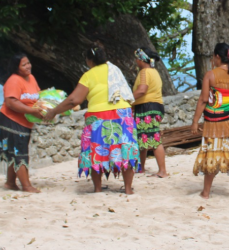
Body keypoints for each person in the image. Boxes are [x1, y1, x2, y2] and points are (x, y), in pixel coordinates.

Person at [44, 46, 140, 194]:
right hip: (122, 114)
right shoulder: (115, 70)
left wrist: (54, 111)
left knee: (95, 152)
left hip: (98, 117)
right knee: (125, 150)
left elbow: (74, 100)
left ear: (89, 60)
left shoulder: (89, 75)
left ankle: (97, 188)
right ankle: (128, 189)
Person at [190, 43, 229, 198]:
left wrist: (195, 121)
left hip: (215, 123)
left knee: (212, 155)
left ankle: (206, 192)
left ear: (217, 57)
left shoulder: (211, 75)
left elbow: (203, 100)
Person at [0, 54, 44, 193]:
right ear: (16, 67)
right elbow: (11, 102)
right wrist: (31, 110)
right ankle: (26, 186)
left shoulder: (32, 78)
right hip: (11, 121)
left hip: (25, 121)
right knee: (19, 152)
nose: (28, 66)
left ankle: (10, 183)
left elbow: (38, 94)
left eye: (28, 63)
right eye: (23, 65)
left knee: (14, 151)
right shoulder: (14, 81)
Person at [132, 47, 168, 178]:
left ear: (142, 59)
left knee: (153, 138)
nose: (136, 61)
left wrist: (128, 99)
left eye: (137, 58)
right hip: (153, 107)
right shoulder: (154, 72)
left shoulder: (145, 72)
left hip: (148, 107)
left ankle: (163, 171)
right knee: (143, 138)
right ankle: (140, 167)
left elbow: (142, 90)